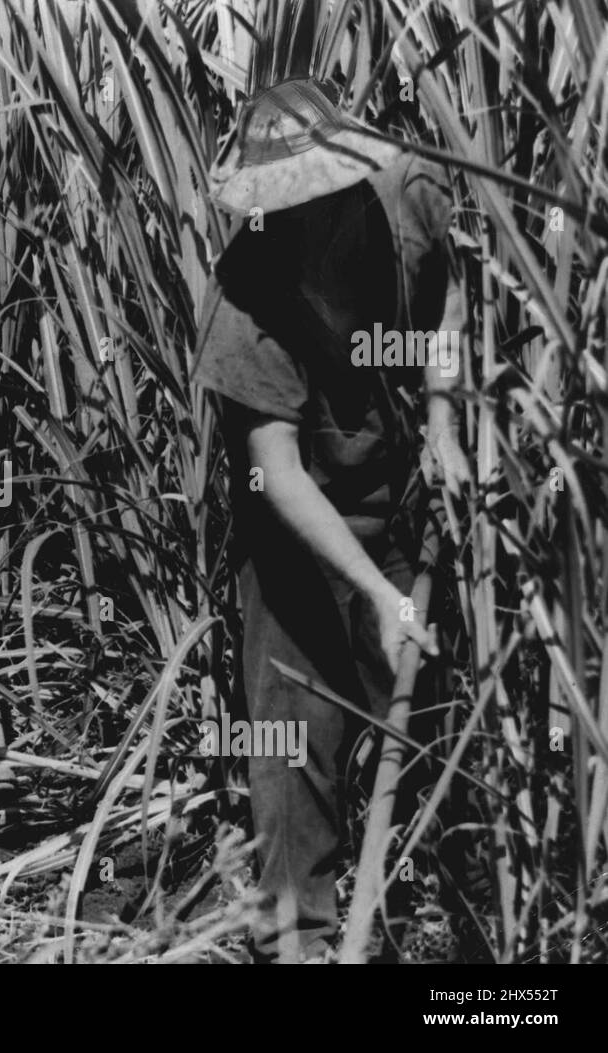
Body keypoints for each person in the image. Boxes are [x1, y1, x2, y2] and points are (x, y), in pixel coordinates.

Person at [192, 78, 471, 961]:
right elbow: (273, 474)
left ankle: (422, 905)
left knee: (419, 694)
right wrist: (376, 598)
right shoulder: (247, 289)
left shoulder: (408, 195)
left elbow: (453, 295)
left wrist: (444, 420)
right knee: (293, 732)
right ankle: (301, 935)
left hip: (399, 488)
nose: (313, 218)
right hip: (298, 522)